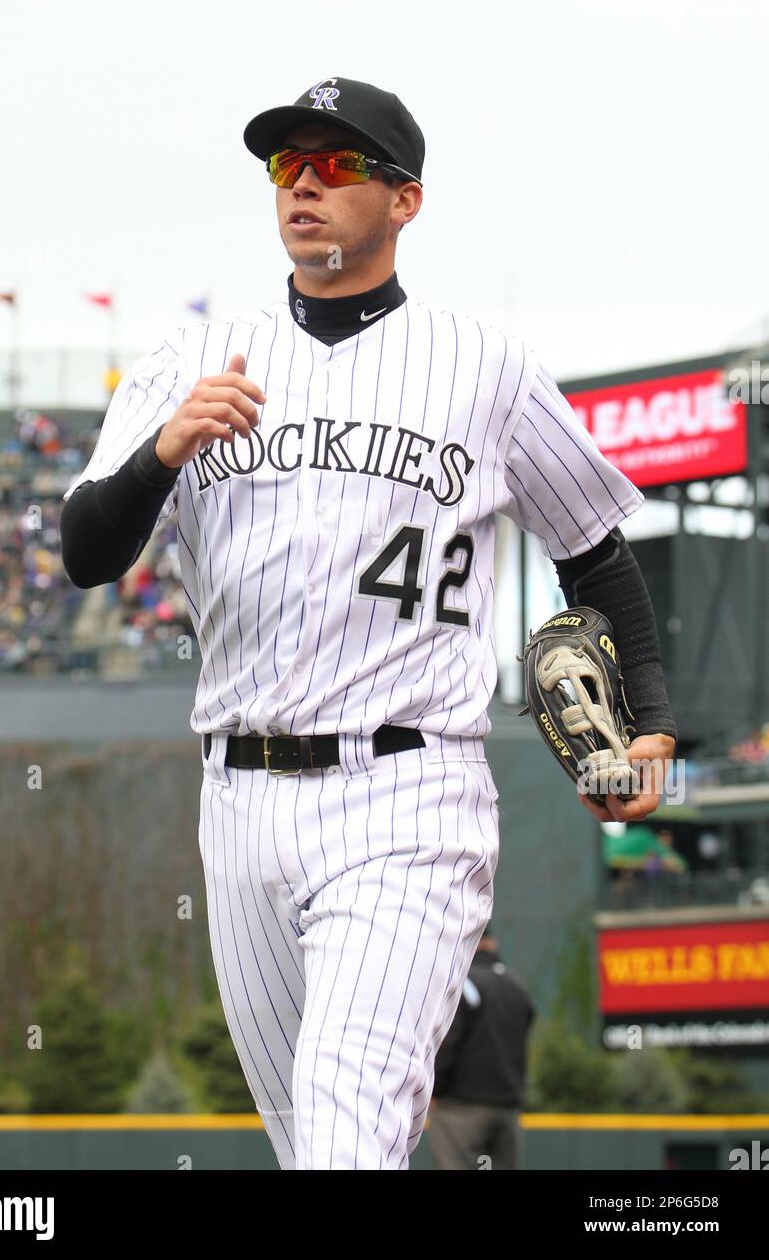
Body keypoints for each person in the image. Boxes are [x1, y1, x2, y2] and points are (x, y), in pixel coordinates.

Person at [59, 76, 677, 1171]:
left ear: (405, 201)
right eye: (285, 164)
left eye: (338, 163)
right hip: (237, 799)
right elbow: (83, 553)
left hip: (406, 791)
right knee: (321, 1150)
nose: (303, 182)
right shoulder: (190, 359)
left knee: (343, 1124)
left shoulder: (484, 367)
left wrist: (651, 723)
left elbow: (595, 553)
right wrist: (162, 453)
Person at [428, 931, 535, 1169]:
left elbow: (448, 1041)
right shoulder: (516, 986)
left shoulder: (464, 983)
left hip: (461, 1107)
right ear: (493, 944)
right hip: (507, 1107)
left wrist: (435, 1089)